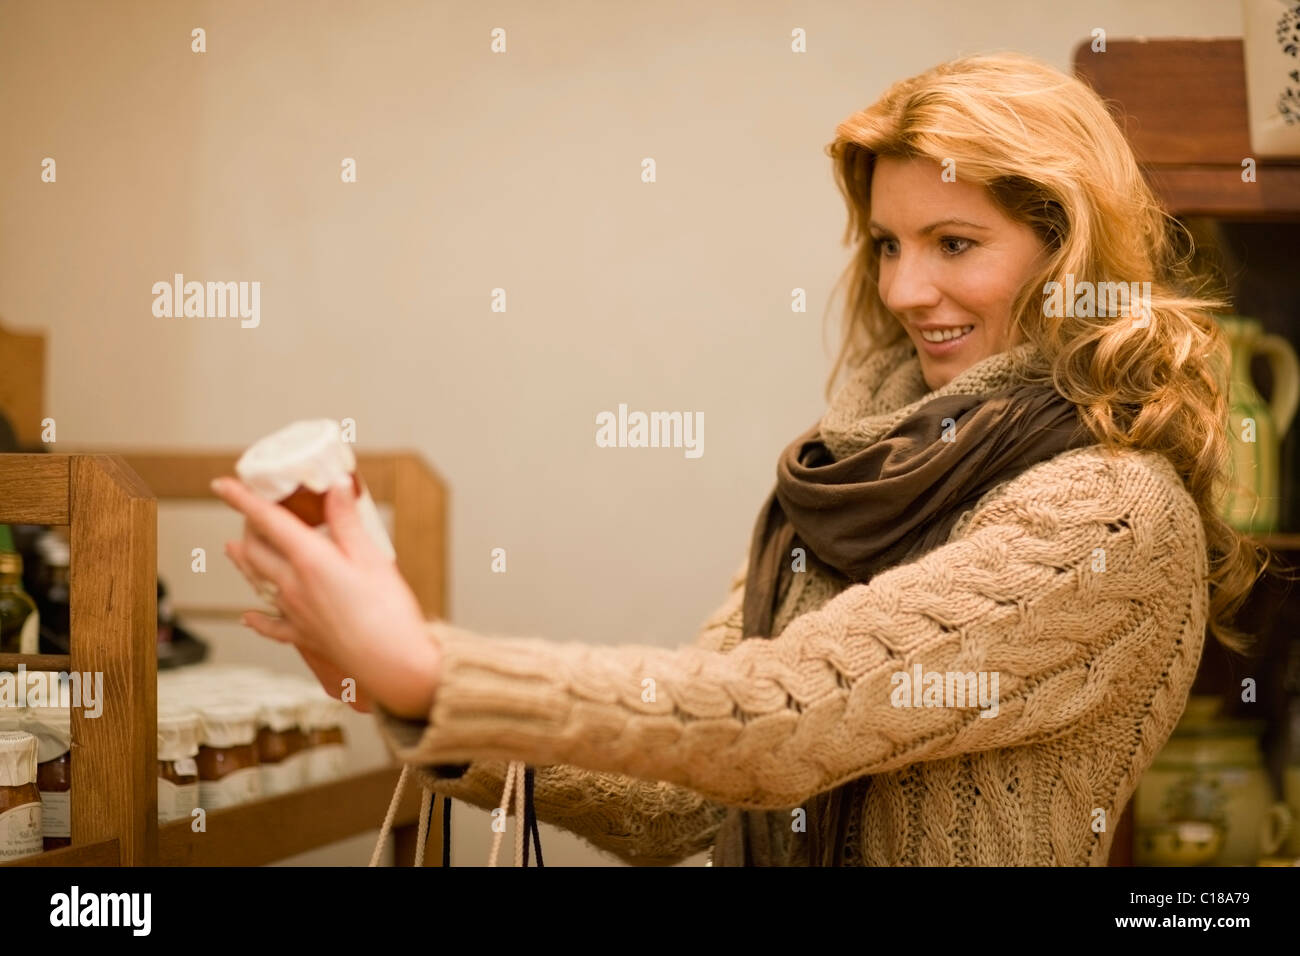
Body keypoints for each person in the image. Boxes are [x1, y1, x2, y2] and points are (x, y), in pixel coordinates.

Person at [211, 50, 1266, 866]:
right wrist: (409, 696)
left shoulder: (1109, 512)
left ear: (1065, 251)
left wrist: (431, 665)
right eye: (888, 245)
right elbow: (677, 794)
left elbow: (779, 719)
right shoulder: (853, 483)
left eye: (953, 242)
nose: (903, 290)